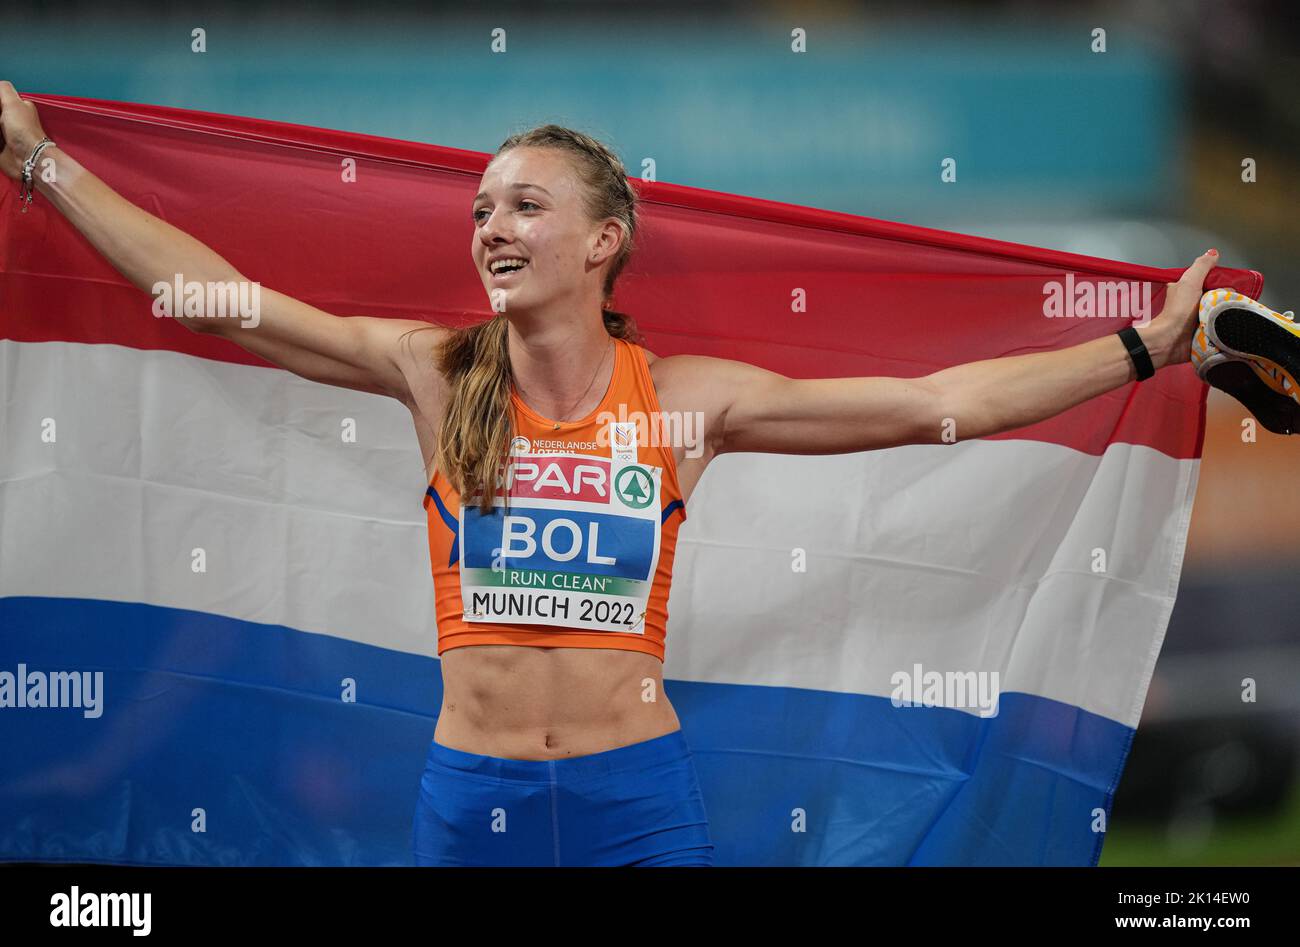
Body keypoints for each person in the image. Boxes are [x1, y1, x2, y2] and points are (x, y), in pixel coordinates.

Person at [3, 81, 1287, 866]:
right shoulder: (437, 373)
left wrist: (1138, 344)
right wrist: (40, 162)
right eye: (479, 210)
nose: (490, 227)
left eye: (522, 206)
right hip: (473, 801)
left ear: (603, 240)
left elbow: (936, 403)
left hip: (635, 798)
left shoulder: (684, 403)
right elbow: (222, 303)